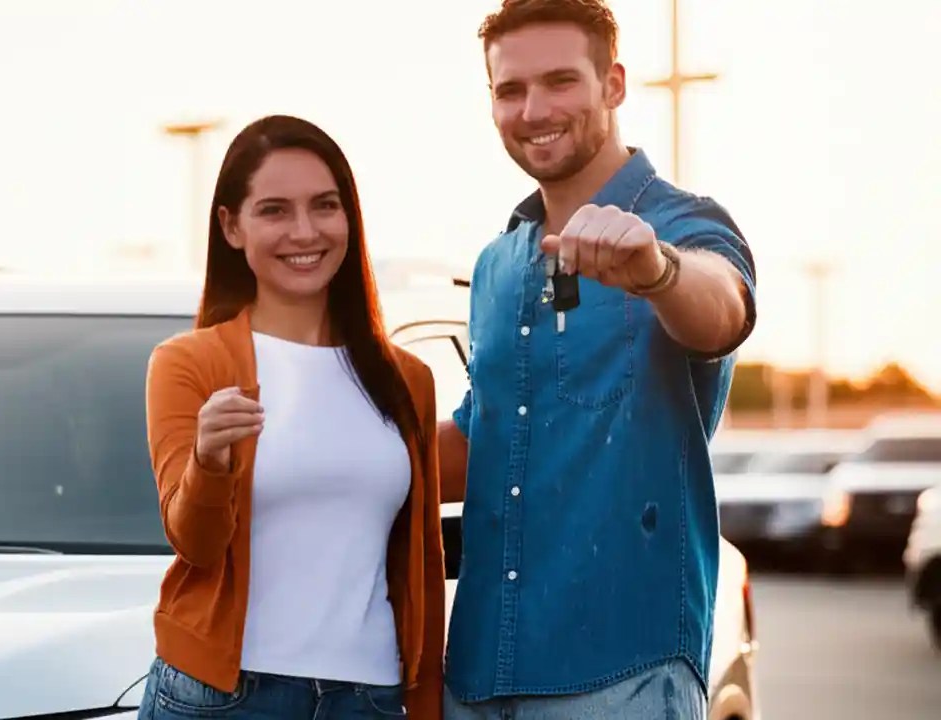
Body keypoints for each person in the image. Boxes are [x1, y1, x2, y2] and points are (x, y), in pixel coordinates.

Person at [437, 1, 758, 718]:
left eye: (560, 81)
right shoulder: (497, 262)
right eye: (510, 89)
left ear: (613, 84)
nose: (534, 109)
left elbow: (724, 310)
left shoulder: (679, 225)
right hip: (478, 674)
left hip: (622, 675)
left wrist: (657, 271)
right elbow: (482, 440)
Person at [136, 114, 446, 720]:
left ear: (349, 219)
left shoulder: (408, 379)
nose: (304, 231)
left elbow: (423, 569)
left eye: (324, 206)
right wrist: (209, 461)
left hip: (369, 700)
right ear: (231, 226)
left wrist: (427, 705)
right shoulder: (188, 364)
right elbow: (193, 542)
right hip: (222, 699)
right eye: (274, 210)